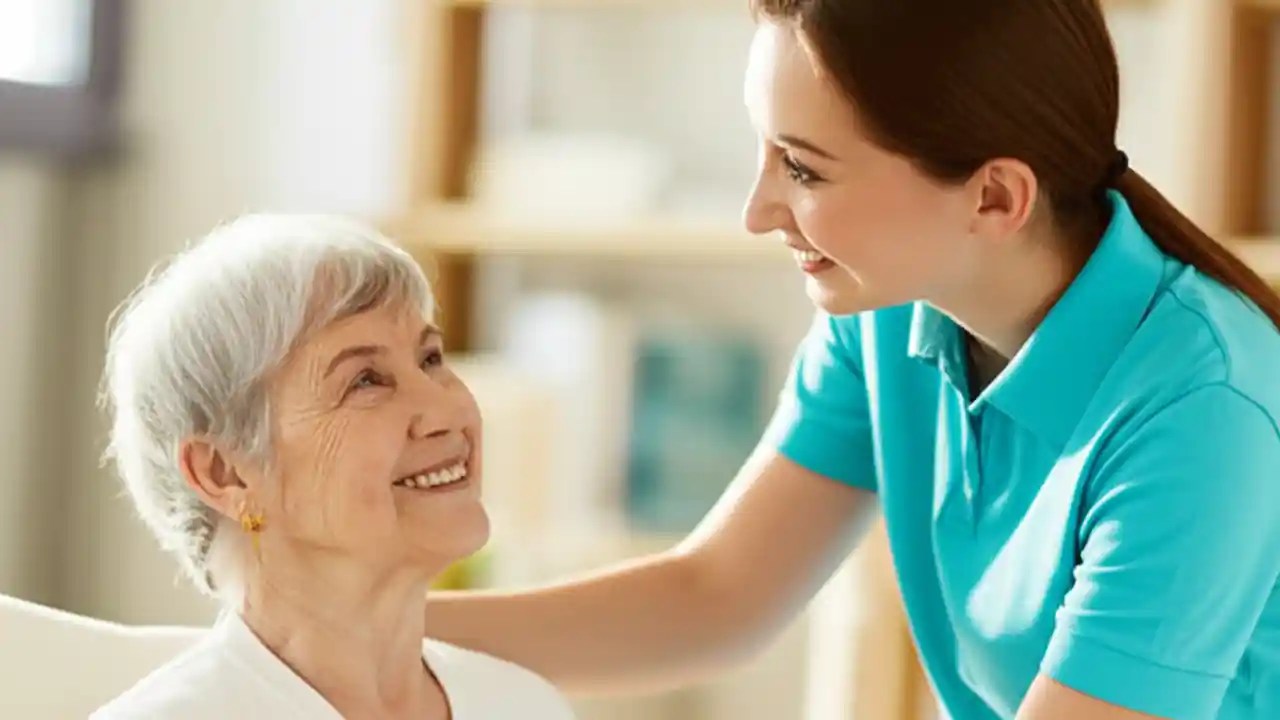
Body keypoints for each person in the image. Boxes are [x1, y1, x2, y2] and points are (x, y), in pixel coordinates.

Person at [422, 2, 1280, 719]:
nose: (757, 212)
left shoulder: (1203, 409)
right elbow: (716, 597)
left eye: (802, 169)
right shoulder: (888, 310)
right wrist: (373, 636)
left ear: (994, 196)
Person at [94, 216, 575, 719]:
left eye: (430, 359)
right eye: (366, 380)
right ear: (224, 473)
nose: (444, 412)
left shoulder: (525, 705)